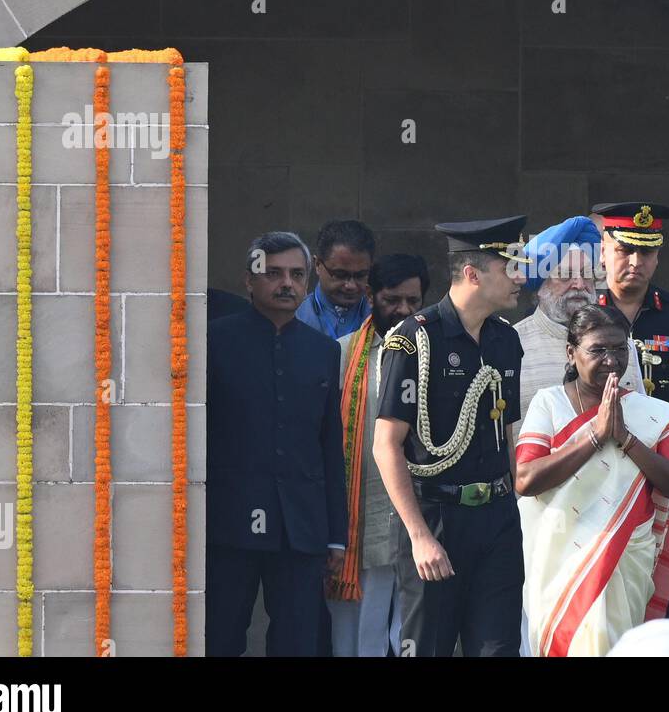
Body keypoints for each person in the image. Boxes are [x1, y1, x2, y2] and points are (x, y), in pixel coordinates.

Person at [372, 216, 530, 657]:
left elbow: (508, 434)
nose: (519, 277)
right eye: (508, 267)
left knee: (499, 648)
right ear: (473, 274)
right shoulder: (413, 340)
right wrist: (420, 536)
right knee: (427, 647)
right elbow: (386, 446)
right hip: (436, 516)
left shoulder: (505, 341)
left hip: (497, 518)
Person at [515, 305, 669, 656]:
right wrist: (594, 435)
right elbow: (527, 479)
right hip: (561, 566)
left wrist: (625, 438)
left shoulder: (645, 411)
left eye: (620, 349)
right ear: (571, 353)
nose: (611, 360)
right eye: (598, 350)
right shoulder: (549, 403)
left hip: (625, 558)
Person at [206, 231, 348, 656]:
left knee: (298, 643)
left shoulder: (324, 351)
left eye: (296, 274)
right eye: (274, 274)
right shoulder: (215, 340)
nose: (287, 283)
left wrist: (336, 536)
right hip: (229, 524)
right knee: (220, 636)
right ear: (250, 280)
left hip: (300, 528)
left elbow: (329, 446)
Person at [592, 202, 669, 619]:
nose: (635, 262)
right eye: (625, 250)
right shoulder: (577, 310)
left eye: (646, 252)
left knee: (658, 609)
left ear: (658, 255)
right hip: (593, 485)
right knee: (594, 611)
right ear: (603, 249)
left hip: (663, 482)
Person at [325, 254, 430, 656]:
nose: (403, 310)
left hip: (419, 519)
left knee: (413, 634)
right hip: (360, 522)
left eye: (413, 301)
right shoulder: (341, 354)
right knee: (355, 640)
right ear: (371, 297)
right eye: (393, 300)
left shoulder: (435, 352)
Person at [514, 215, 643, 429]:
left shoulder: (623, 345)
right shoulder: (512, 343)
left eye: (586, 274)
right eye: (565, 276)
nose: (579, 284)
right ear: (541, 287)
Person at [296, 219, 375, 339]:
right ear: (317, 265)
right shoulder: (295, 316)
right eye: (340, 275)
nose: (351, 286)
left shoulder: (380, 317)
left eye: (360, 275)